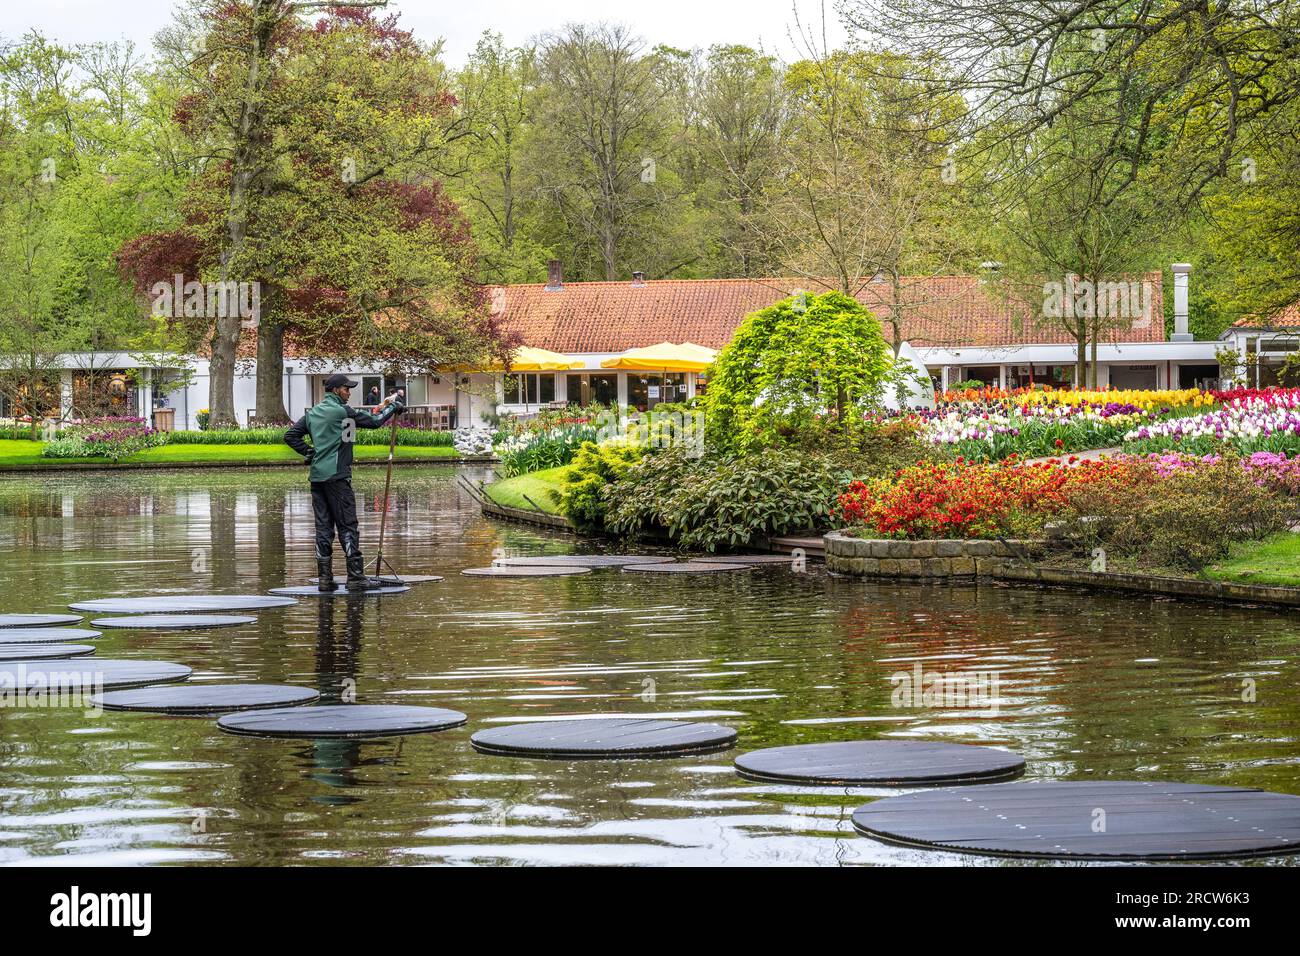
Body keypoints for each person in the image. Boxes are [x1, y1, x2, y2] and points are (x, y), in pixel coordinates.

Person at [285, 374, 405, 592]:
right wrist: (393, 408)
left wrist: (311, 453)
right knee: (348, 525)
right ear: (334, 390)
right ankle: (356, 578)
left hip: (317, 478)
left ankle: (325, 579)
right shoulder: (342, 411)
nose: (349, 392)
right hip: (338, 477)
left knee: (323, 528)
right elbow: (374, 422)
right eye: (346, 388)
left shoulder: (312, 413)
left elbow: (290, 436)